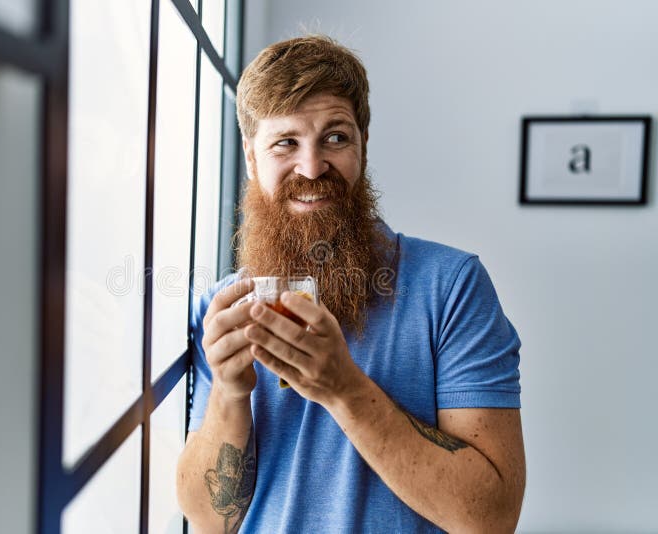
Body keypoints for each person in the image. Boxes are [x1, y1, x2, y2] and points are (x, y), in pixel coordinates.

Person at [176, 35, 525, 533]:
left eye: (335, 137)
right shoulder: (222, 308)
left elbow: (492, 518)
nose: (313, 166)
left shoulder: (452, 287)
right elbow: (211, 521)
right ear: (252, 159)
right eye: (286, 143)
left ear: (363, 144)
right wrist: (230, 393)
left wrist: (342, 388)